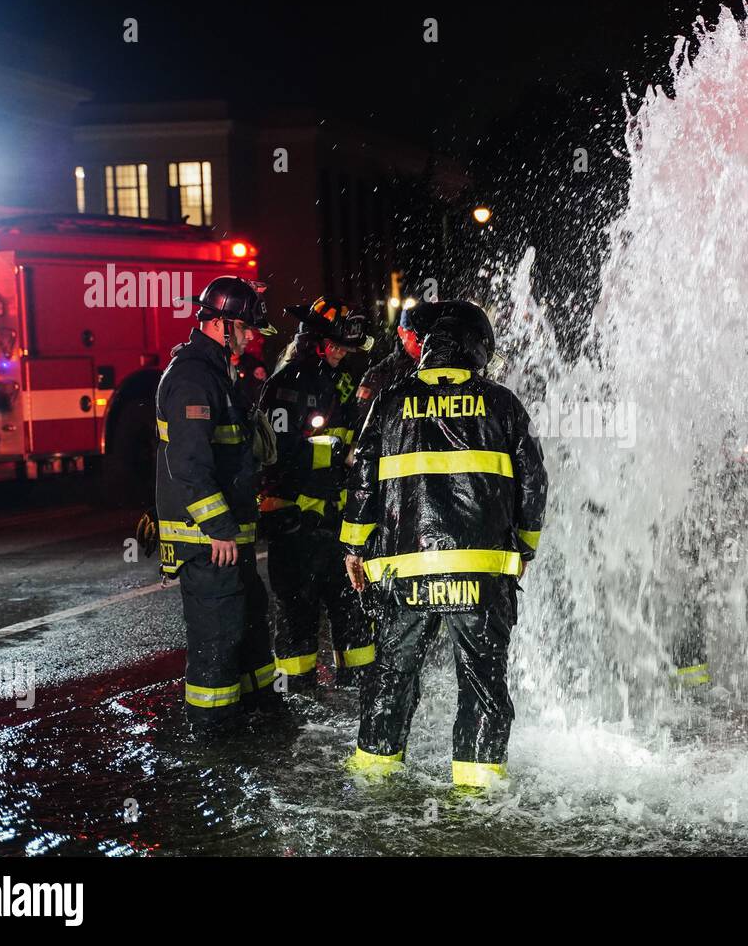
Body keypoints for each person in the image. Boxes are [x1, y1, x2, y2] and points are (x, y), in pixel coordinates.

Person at [340, 301, 548, 788]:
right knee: (481, 681)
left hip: (404, 572)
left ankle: (373, 776)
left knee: (392, 675)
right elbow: (534, 483)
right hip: (481, 576)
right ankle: (476, 790)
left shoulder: (389, 402)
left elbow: (363, 481)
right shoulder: (501, 404)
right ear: (477, 349)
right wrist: (524, 551)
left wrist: (353, 548)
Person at [157, 275, 281, 734]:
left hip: (229, 539)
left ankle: (257, 712)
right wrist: (221, 529)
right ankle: (213, 733)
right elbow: (188, 465)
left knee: (249, 622)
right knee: (219, 634)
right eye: (246, 329)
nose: (251, 338)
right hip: (209, 542)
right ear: (222, 324)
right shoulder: (192, 378)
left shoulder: (219, 374)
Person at [256, 296, 374, 692]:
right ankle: (297, 696)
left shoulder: (337, 380)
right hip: (295, 522)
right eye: (337, 344)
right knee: (298, 612)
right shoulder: (287, 383)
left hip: (333, 520)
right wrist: (339, 452)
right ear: (316, 341)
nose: (343, 352)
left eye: (346, 346)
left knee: (350, 609)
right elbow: (279, 453)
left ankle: (358, 691)